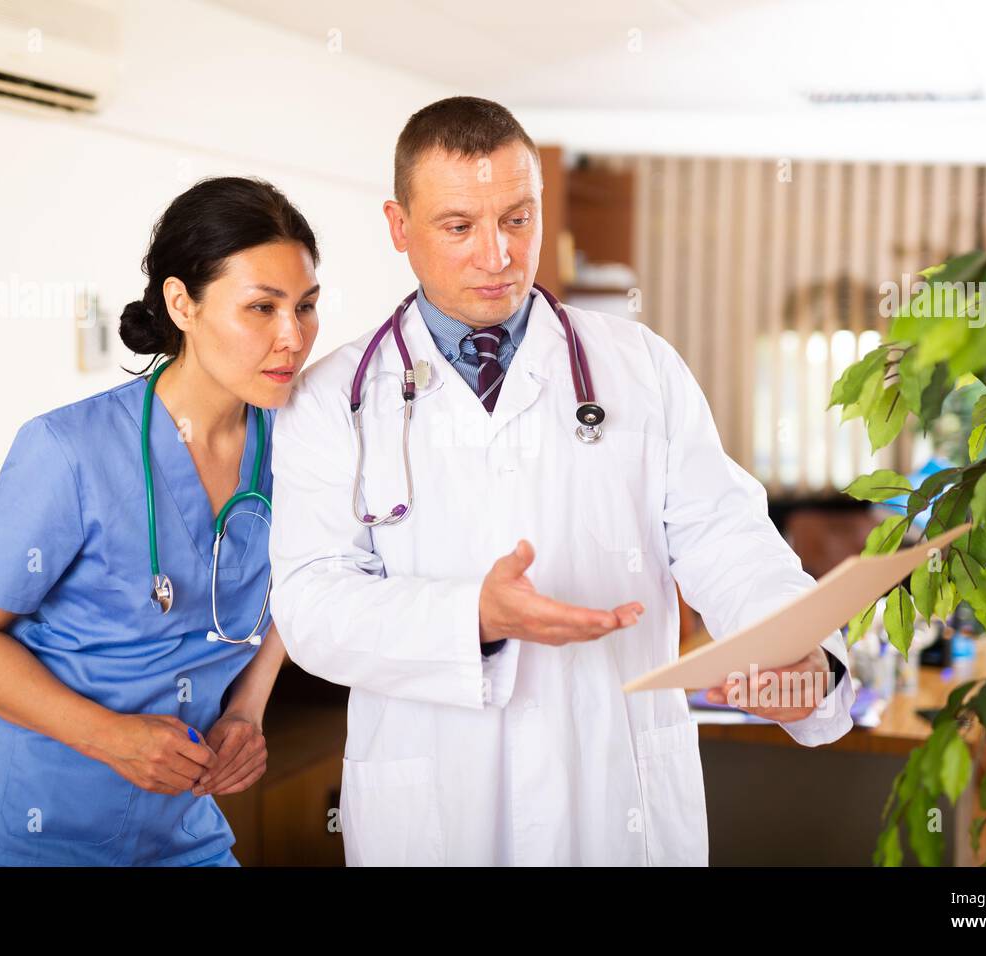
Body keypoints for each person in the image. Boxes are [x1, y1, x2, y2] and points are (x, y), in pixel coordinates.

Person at [267, 97, 855, 866]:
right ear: (399, 226)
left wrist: (796, 651)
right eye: (459, 226)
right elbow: (312, 604)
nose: (498, 254)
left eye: (518, 218)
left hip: (617, 793)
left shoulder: (639, 366)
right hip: (438, 807)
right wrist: (470, 615)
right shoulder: (331, 399)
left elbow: (727, 534)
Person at [0, 176, 321, 865]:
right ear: (182, 303)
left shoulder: (297, 446)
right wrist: (111, 737)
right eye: (262, 307)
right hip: (30, 829)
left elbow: (299, 580)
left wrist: (246, 709)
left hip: (179, 828)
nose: (292, 337)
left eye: (307, 306)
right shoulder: (68, 450)